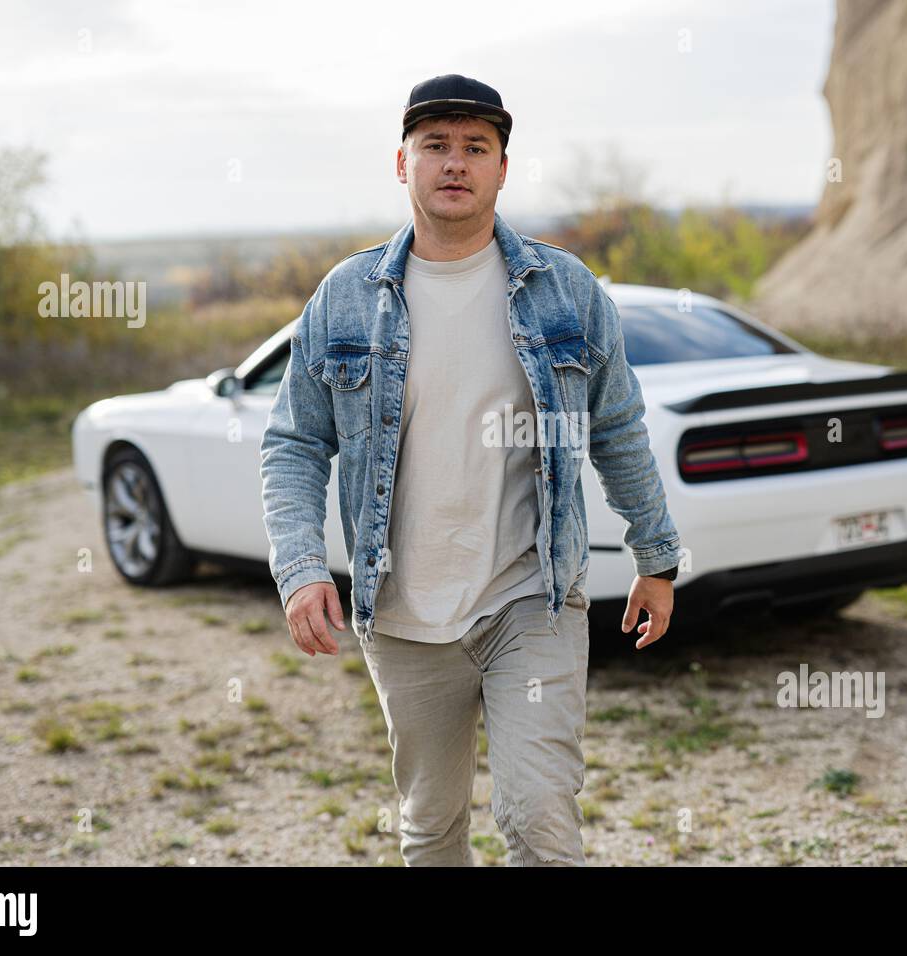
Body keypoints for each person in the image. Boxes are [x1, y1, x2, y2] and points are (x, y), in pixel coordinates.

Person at [260, 73, 682, 866]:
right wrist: (300, 566)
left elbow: (617, 428)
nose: (455, 163)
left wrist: (656, 558)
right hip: (402, 613)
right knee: (431, 826)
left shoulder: (566, 292)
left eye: (475, 148)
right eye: (437, 146)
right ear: (402, 163)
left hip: (531, 596)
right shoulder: (345, 298)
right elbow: (293, 442)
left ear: (501, 169)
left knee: (541, 821)